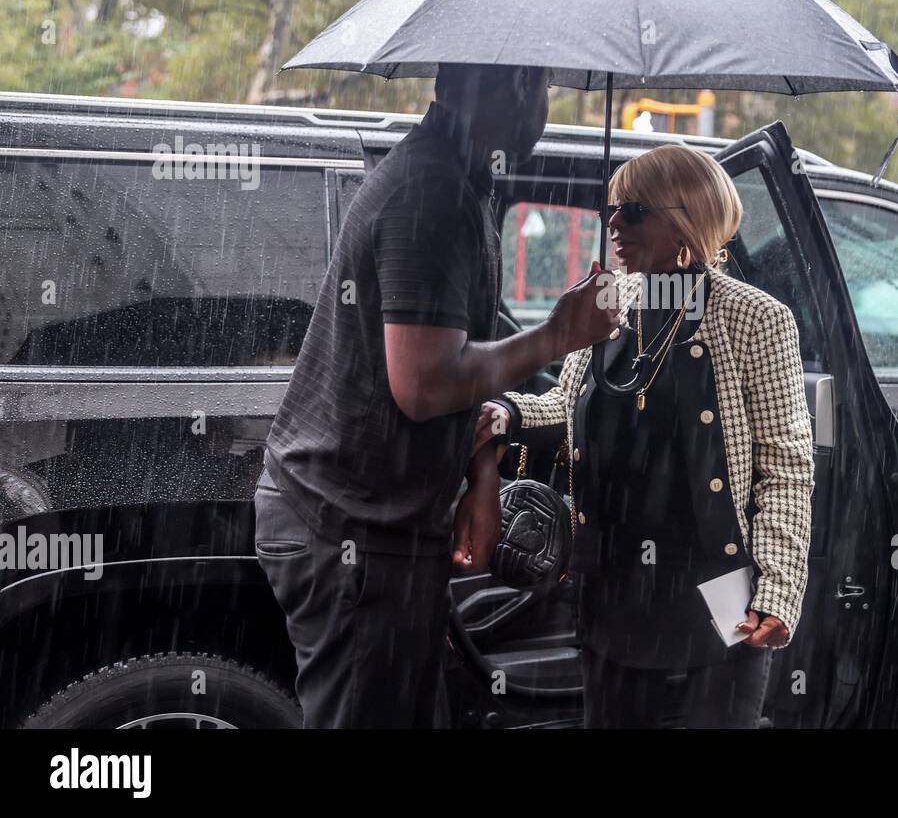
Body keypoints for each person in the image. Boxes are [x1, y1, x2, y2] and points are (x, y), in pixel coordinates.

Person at [253, 63, 618, 728]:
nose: (543, 107)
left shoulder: (462, 185)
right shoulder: (432, 194)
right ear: (518, 91)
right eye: (544, 90)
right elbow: (423, 384)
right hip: (349, 528)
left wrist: (480, 473)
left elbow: (461, 361)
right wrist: (559, 334)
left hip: (379, 524)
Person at [473, 145, 814, 728]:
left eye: (631, 210)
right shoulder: (609, 303)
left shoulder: (755, 318)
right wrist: (508, 413)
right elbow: (566, 403)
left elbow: (785, 466)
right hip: (615, 589)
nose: (612, 224)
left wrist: (779, 589)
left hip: (719, 593)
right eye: (610, 210)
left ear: (685, 218)